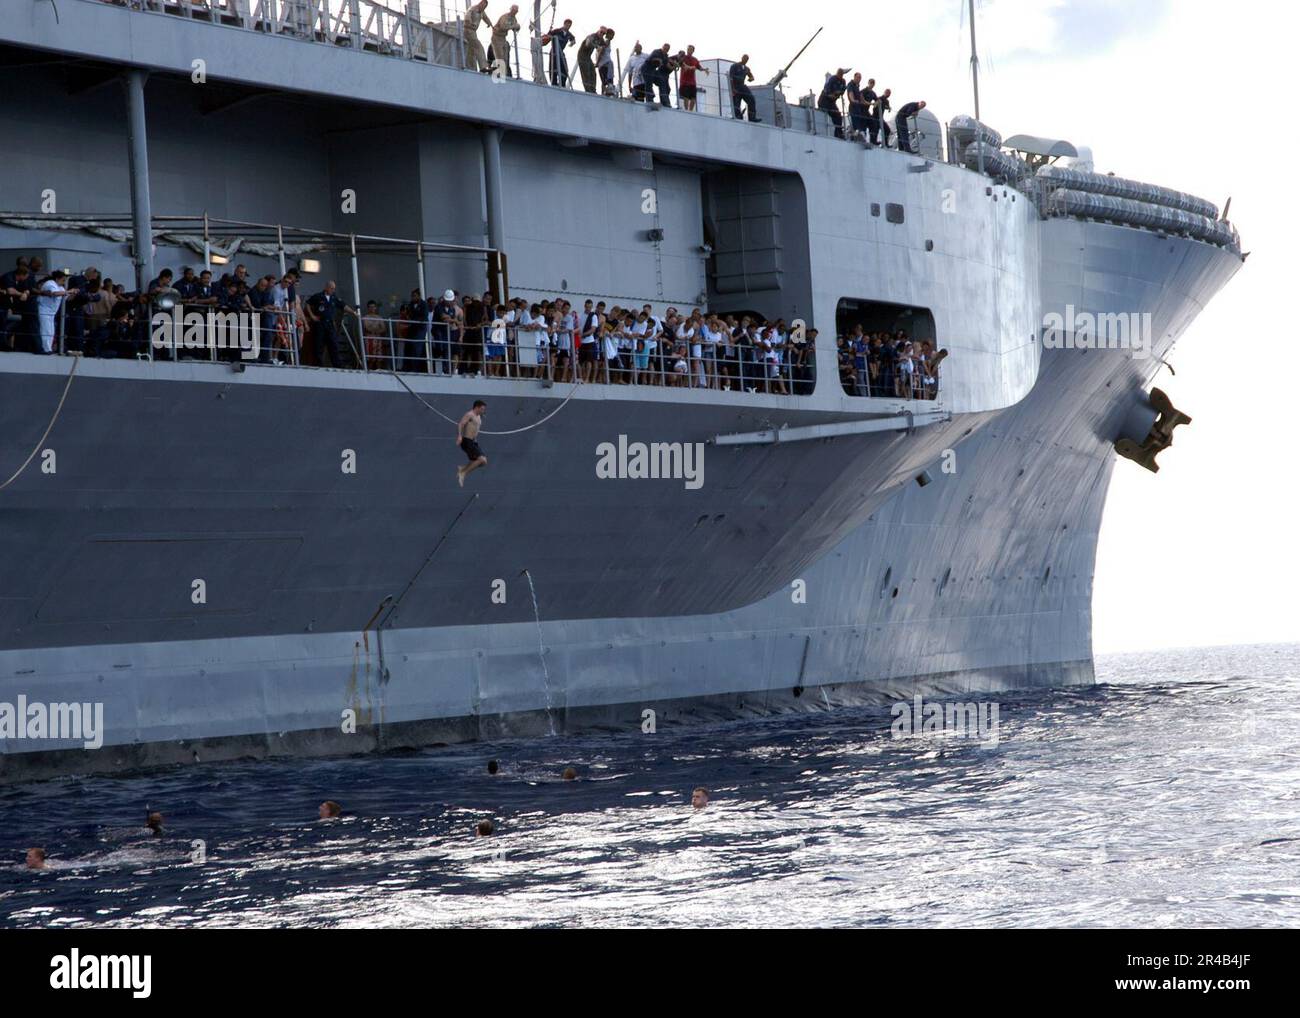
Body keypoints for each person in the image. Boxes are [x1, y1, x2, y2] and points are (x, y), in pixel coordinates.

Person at [305, 281, 352, 369]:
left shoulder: (334, 298)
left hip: (330, 324)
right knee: (319, 344)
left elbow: (343, 306)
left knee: (333, 344)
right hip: (320, 323)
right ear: (326, 287)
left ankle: (337, 365)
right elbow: (308, 303)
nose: (333, 290)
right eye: (331, 288)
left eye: (334, 289)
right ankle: (318, 364)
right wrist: (312, 315)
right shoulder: (318, 296)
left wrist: (353, 312)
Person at [37, 270, 77, 354]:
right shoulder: (50, 283)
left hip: (52, 313)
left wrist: (73, 293)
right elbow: (54, 293)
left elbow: (67, 298)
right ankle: (45, 349)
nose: (63, 282)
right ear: (57, 278)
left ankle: (48, 348)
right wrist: (68, 291)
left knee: (51, 331)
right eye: (62, 280)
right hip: (44, 310)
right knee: (46, 330)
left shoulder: (61, 288)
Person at [456, 400, 488, 487]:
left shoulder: (479, 417)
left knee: (483, 462)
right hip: (467, 441)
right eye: (482, 409)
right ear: (476, 407)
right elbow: (460, 424)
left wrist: (476, 439)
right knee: (481, 459)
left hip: (474, 442)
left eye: (484, 409)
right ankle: (463, 473)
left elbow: (475, 429)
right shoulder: (470, 414)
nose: (483, 411)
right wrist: (459, 436)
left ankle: (462, 469)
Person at [818, 68, 850, 138]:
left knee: (838, 116)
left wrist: (838, 93)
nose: (840, 76)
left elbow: (842, 91)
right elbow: (827, 92)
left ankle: (838, 133)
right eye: (839, 74)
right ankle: (838, 133)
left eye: (841, 74)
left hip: (832, 102)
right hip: (824, 100)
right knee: (833, 113)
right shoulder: (832, 79)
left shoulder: (843, 81)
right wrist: (835, 93)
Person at [490, 5, 520, 77]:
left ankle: (504, 74)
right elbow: (503, 27)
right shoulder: (505, 17)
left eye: (516, 11)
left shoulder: (513, 18)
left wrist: (517, 26)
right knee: (499, 56)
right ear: (511, 10)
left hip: (503, 38)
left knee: (505, 57)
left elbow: (517, 26)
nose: (514, 12)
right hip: (496, 37)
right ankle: (500, 74)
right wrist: (513, 26)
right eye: (513, 10)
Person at [677, 45, 709, 111]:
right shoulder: (683, 57)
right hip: (684, 81)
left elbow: (699, 67)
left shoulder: (695, 59)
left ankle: (690, 110)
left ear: (693, 51)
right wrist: (690, 67)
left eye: (691, 49)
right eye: (688, 49)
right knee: (686, 97)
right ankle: (686, 110)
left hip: (692, 82)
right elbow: (681, 64)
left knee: (693, 98)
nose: (689, 51)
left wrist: (704, 69)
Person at [729, 54, 759, 122]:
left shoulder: (746, 68)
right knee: (736, 103)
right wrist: (732, 89)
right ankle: (738, 117)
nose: (745, 60)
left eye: (747, 59)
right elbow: (730, 78)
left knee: (751, 99)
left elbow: (751, 76)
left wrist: (751, 78)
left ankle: (752, 117)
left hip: (742, 85)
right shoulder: (734, 66)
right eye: (744, 58)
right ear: (742, 58)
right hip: (736, 86)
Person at [463, 0, 490, 72]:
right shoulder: (472, 9)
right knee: (479, 47)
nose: (483, 9)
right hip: (468, 30)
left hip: (473, 31)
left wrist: (489, 24)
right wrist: (469, 22)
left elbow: (485, 18)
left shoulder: (482, 11)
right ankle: (483, 67)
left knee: (471, 51)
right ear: (480, 4)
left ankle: (470, 67)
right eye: (483, 6)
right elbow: (467, 16)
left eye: (485, 7)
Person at [546, 18, 575, 86]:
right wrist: (550, 32)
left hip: (561, 52)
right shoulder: (557, 31)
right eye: (567, 25)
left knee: (565, 69)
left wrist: (572, 42)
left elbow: (573, 39)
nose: (568, 27)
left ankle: (562, 83)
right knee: (553, 68)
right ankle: (554, 83)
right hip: (554, 51)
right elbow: (548, 36)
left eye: (570, 25)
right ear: (564, 24)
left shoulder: (568, 34)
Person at [577, 27, 603, 93]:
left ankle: (593, 90)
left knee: (593, 73)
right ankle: (588, 90)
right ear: (598, 31)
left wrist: (597, 62)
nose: (602, 34)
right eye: (601, 32)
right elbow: (588, 43)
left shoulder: (600, 39)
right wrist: (596, 46)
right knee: (586, 73)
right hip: (582, 56)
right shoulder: (592, 36)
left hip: (588, 57)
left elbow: (605, 46)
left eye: (603, 33)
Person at [846, 72, 870, 137]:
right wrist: (853, 100)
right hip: (853, 106)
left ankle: (860, 133)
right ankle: (857, 132)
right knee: (856, 120)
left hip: (858, 107)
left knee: (862, 119)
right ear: (854, 77)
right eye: (858, 77)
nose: (859, 79)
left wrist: (870, 103)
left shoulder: (857, 86)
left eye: (860, 78)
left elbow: (861, 99)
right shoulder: (850, 84)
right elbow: (850, 93)